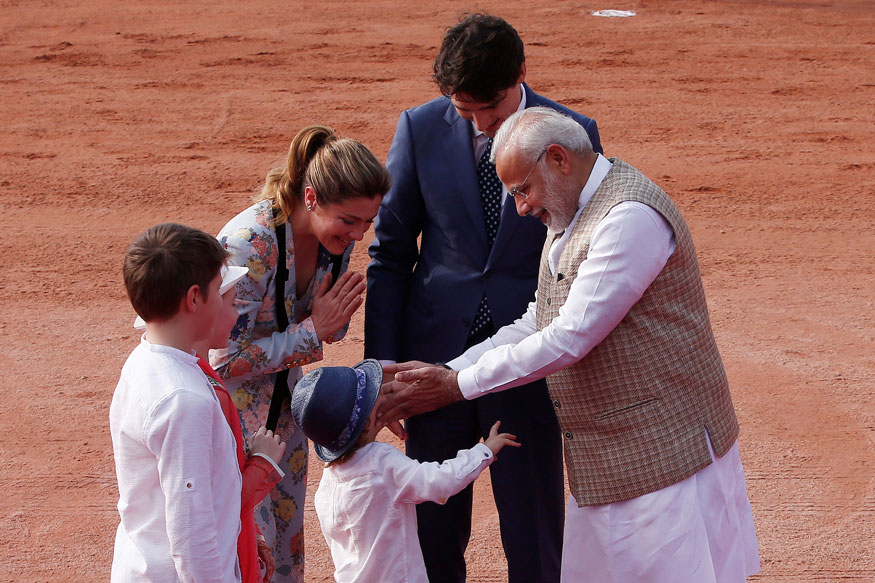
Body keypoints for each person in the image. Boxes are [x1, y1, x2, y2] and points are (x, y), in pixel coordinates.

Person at [379, 107, 762, 582]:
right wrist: (447, 370)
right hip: (610, 459)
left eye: (523, 190)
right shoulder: (572, 212)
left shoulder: (627, 218)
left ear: (558, 159)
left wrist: (457, 386)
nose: (520, 207)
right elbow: (539, 317)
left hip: (664, 460)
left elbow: (568, 338)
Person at [364, 14, 602, 582]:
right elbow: (390, 254)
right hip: (433, 362)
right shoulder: (420, 129)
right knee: (433, 534)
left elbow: (582, 257)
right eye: (464, 110)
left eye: (489, 110)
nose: (479, 123)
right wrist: (382, 369)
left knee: (534, 533)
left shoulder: (572, 134)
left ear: (521, 73)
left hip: (527, 365)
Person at [211, 125, 391, 582]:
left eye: (367, 223)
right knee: (251, 552)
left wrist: (323, 326)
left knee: (286, 557)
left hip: (285, 415)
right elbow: (222, 359)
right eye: (349, 220)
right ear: (311, 197)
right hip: (231, 422)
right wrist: (313, 331)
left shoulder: (335, 246)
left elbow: (328, 325)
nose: (357, 235)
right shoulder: (248, 244)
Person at [289, 360, 520, 583]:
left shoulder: (325, 487)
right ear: (368, 423)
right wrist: (483, 451)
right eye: (373, 394)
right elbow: (439, 483)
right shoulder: (381, 462)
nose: (381, 391)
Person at [133, 263, 287, 583]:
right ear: (197, 303)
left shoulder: (153, 364)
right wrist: (262, 462)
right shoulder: (191, 397)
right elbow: (202, 517)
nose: (235, 314)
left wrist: (252, 534)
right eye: (230, 302)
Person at [110, 222, 243, 582]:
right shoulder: (183, 400)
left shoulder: (144, 361)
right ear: (194, 298)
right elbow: (192, 535)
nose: (224, 299)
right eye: (219, 290)